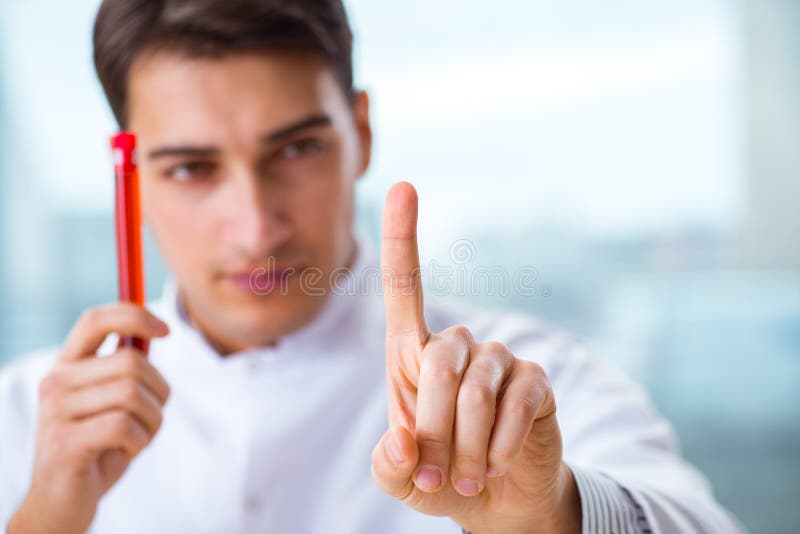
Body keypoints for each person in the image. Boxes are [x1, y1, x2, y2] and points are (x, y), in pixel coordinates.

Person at [0, 1, 743, 533]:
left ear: (360, 130)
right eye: (192, 168)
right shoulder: (24, 417)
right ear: (128, 176)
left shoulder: (529, 383)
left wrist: (546, 517)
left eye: (296, 149)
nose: (257, 227)